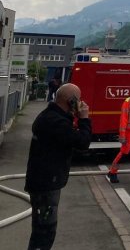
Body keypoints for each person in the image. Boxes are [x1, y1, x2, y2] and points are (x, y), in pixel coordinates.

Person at [25, 83, 91, 250]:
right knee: (45, 232)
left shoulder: (51, 116)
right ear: (71, 101)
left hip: (44, 182)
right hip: (46, 185)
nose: (81, 103)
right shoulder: (56, 122)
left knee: (42, 230)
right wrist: (84, 119)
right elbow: (83, 142)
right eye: (79, 99)